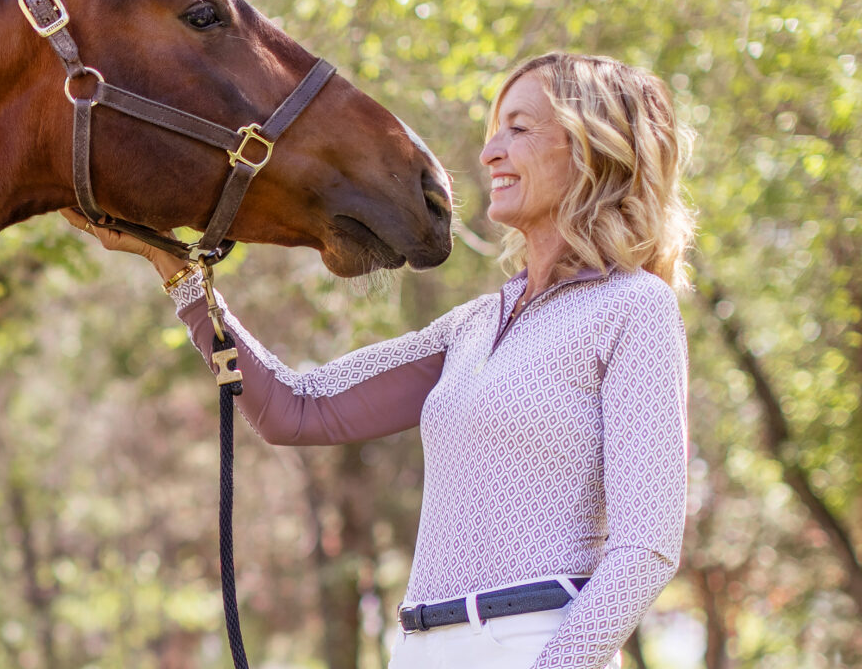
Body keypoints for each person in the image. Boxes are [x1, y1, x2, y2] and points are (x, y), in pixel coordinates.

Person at [63, 52, 696, 669]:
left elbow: (645, 547)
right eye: (494, 130)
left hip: (534, 641)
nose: (489, 152)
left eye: (520, 129)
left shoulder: (633, 309)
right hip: (420, 643)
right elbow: (298, 410)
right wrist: (178, 273)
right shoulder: (477, 323)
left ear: (593, 149)